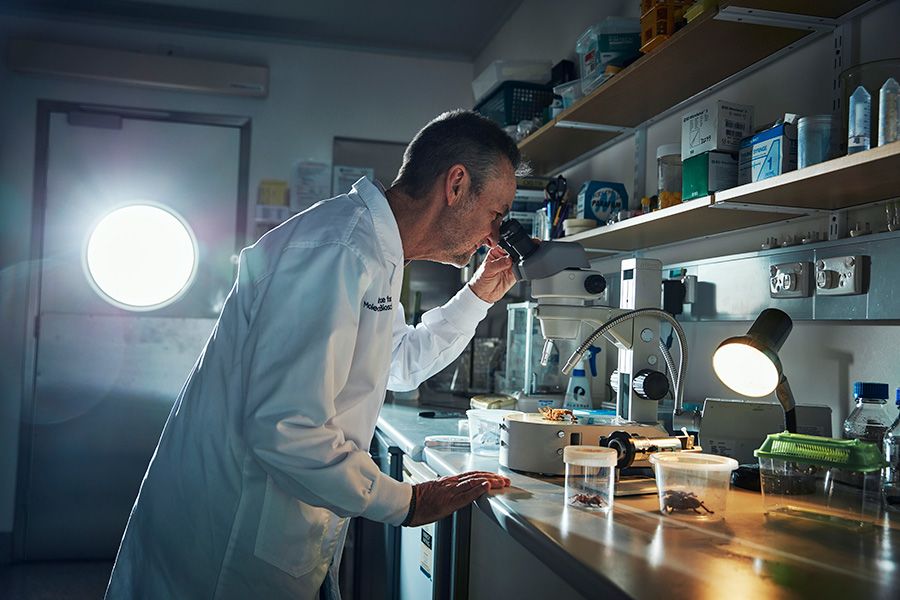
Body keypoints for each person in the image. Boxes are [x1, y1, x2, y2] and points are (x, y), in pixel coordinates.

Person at [105, 109, 527, 599]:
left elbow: (397, 363)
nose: (495, 235)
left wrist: (478, 297)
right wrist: (407, 503)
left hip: (281, 530)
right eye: (495, 215)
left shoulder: (380, 251)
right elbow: (286, 429)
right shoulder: (338, 249)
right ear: (455, 185)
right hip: (228, 543)